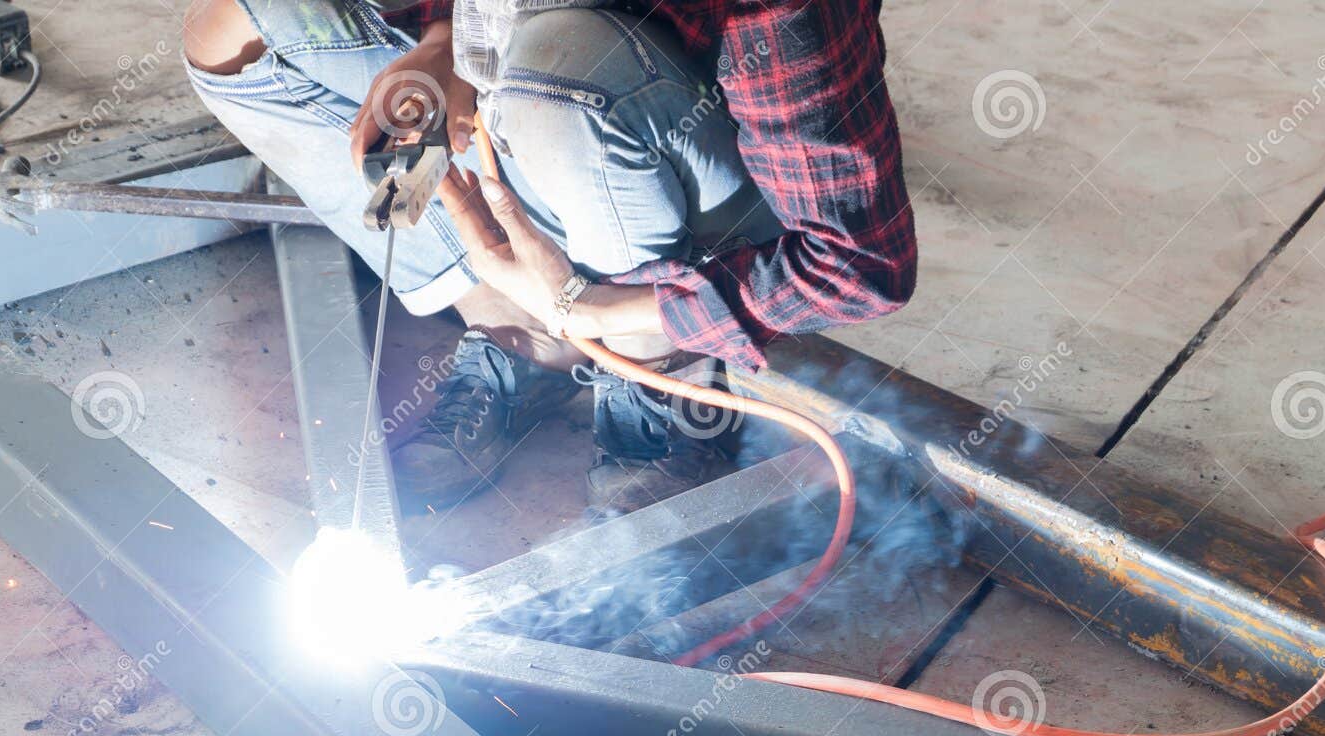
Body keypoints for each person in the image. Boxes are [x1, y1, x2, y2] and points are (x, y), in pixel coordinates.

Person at [183, 0, 915, 513]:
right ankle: (524, 334)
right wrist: (442, 46)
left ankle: (657, 381)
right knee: (233, 32)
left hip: (694, 177)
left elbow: (860, 263)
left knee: (560, 77)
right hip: (544, 97)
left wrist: (601, 307)